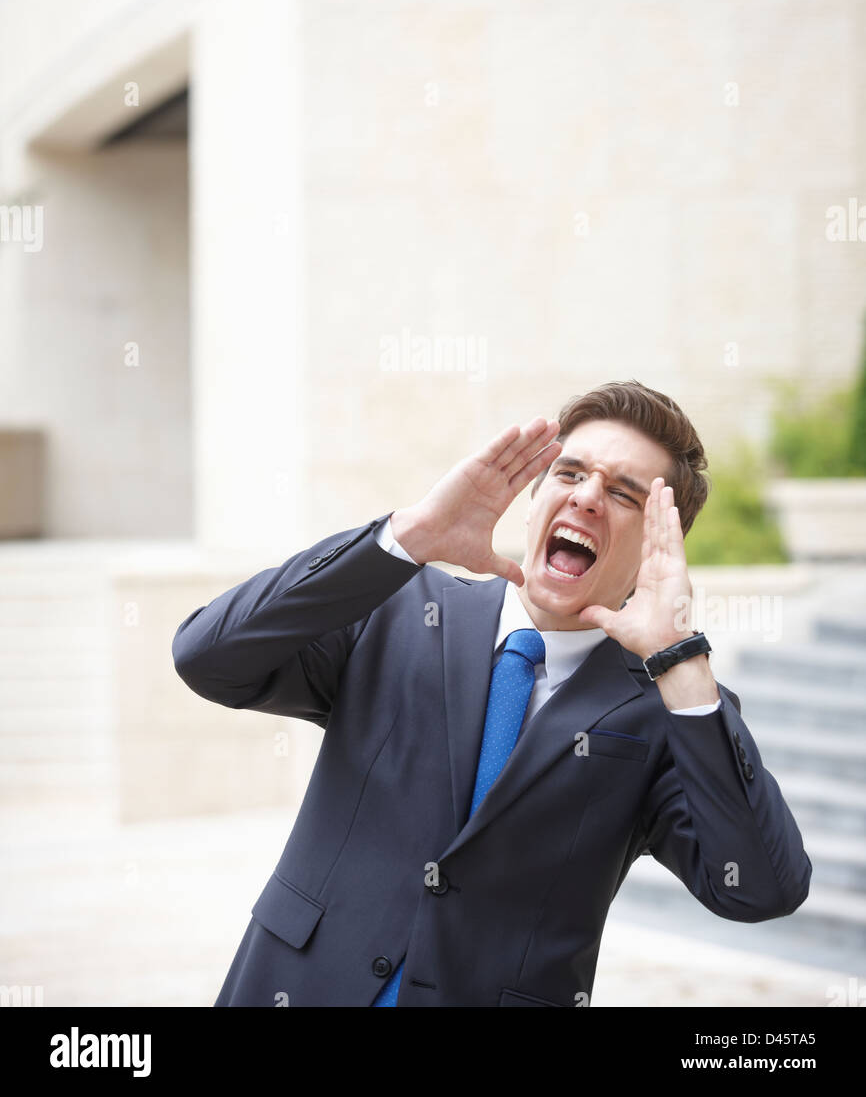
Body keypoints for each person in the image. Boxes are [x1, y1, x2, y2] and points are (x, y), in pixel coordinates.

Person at [172, 380, 811, 1007]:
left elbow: (760, 889)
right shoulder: (396, 609)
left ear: (656, 548)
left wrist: (682, 660)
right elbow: (209, 657)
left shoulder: (666, 705)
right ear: (533, 502)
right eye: (569, 473)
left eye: (623, 493)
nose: (587, 497)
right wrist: (410, 535)